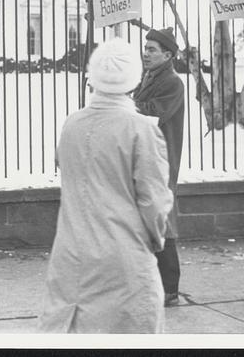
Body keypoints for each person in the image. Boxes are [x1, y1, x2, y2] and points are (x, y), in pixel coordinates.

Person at [38, 38, 173, 333]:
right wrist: (155, 239)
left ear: (92, 77)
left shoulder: (72, 124)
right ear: (133, 79)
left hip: (71, 251)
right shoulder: (142, 129)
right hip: (123, 253)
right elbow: (154, 200)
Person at [131, 27, 185, 307]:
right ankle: (153, 285)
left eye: (152, 49)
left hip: (162, 161)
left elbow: (154, 113)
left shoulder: (173, 82)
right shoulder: (150, 77)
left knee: (162, 221)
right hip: (146, 158)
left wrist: (124, 103)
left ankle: (170, 288)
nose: (146, 53)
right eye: (146, 48)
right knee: (148, 220)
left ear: (167, 54)